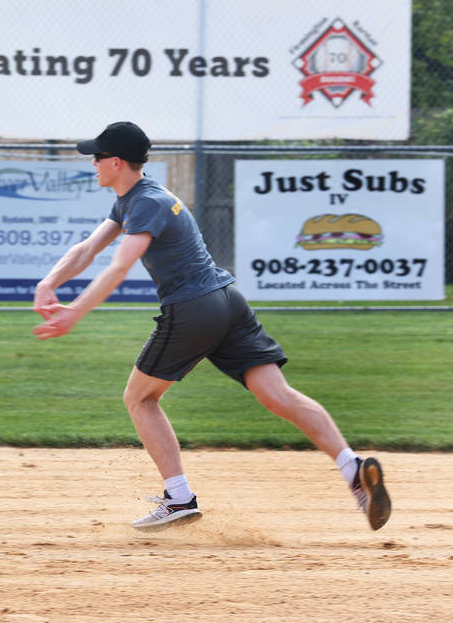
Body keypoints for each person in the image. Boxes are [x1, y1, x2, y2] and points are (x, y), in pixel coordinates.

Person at [31, 122, 390, 531]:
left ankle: (178, 498)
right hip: (227, 302)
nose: (92, 163)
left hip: (193, 308)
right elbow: (87, 249)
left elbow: (119, 266)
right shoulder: (136, 199)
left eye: (97, 156)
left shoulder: (145, 202)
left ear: (116, 162)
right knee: (277, 395)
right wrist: (48, 283)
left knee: (140, 398)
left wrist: (75, 312)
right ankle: (352, 468)